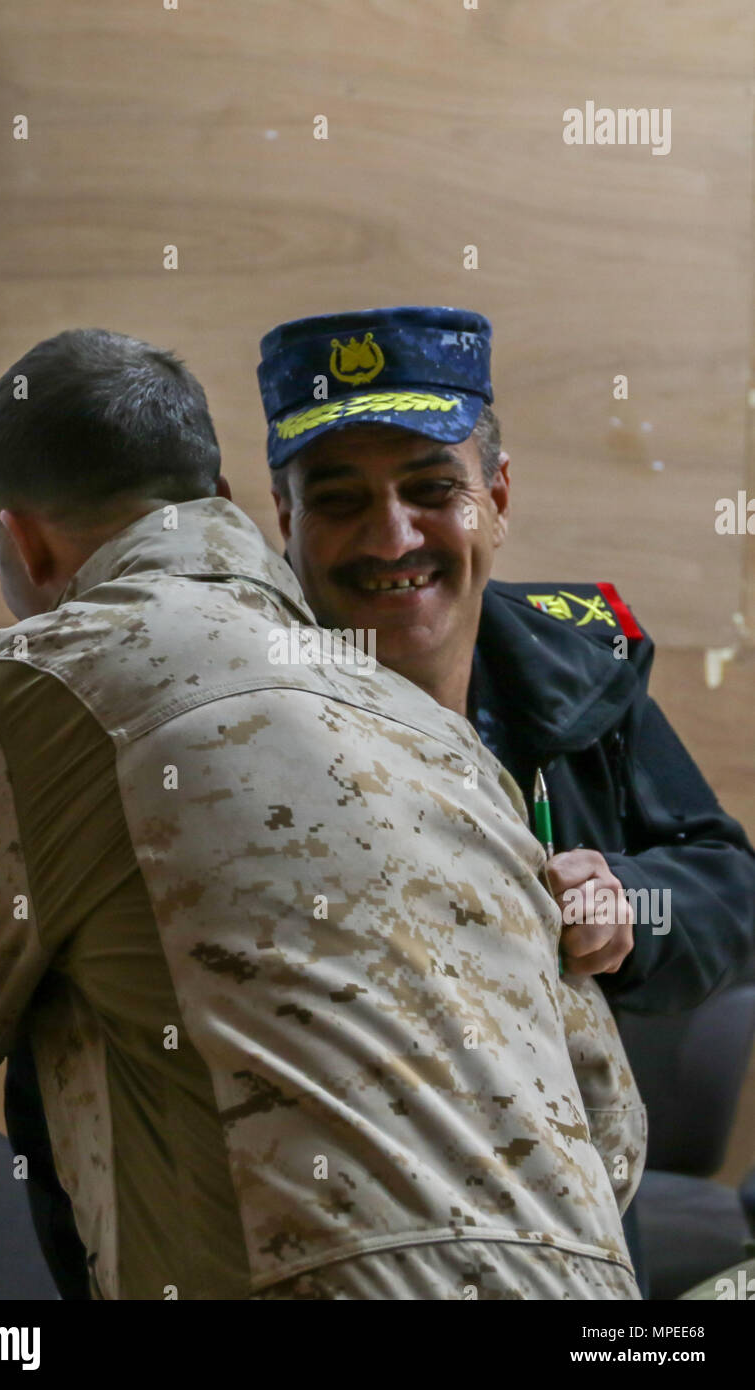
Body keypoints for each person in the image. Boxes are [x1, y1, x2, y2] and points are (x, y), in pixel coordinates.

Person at [0, 327, 645, 1300]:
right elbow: (608, 1130)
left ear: (24, 540)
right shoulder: (440, 736)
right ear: (231, 505)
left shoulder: (40, 684)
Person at [255, 303, 755, 1290]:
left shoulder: (577, 668)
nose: (391, 537)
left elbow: (727, 888)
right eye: (340, 499)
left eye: (431, 489)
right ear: (285, 521)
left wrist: (623, 901)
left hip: (566, 1238)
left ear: (496, 494)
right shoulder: (228, 718)